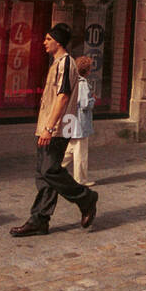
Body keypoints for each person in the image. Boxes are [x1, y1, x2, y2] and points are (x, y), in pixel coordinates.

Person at [11, 24, 98, 236]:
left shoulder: (66, 64)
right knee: (43, 174)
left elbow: (63, 97)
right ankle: (40, 220)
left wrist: (50, 128)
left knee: (50, 170)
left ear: (58, 42)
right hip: (47, 127)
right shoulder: (57, 63)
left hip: (58, 128)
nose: (44, 42)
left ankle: (85, 197)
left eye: (48, 39)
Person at [61, 53, 95, 187]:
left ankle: (54, 168)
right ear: (86, 70)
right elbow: (85, 104)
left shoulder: (72, 81)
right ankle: (80, 179)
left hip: (71, 120)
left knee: (70, 149)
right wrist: (93, 100)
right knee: (81, 152)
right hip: (80, 122)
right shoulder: (83, 84)